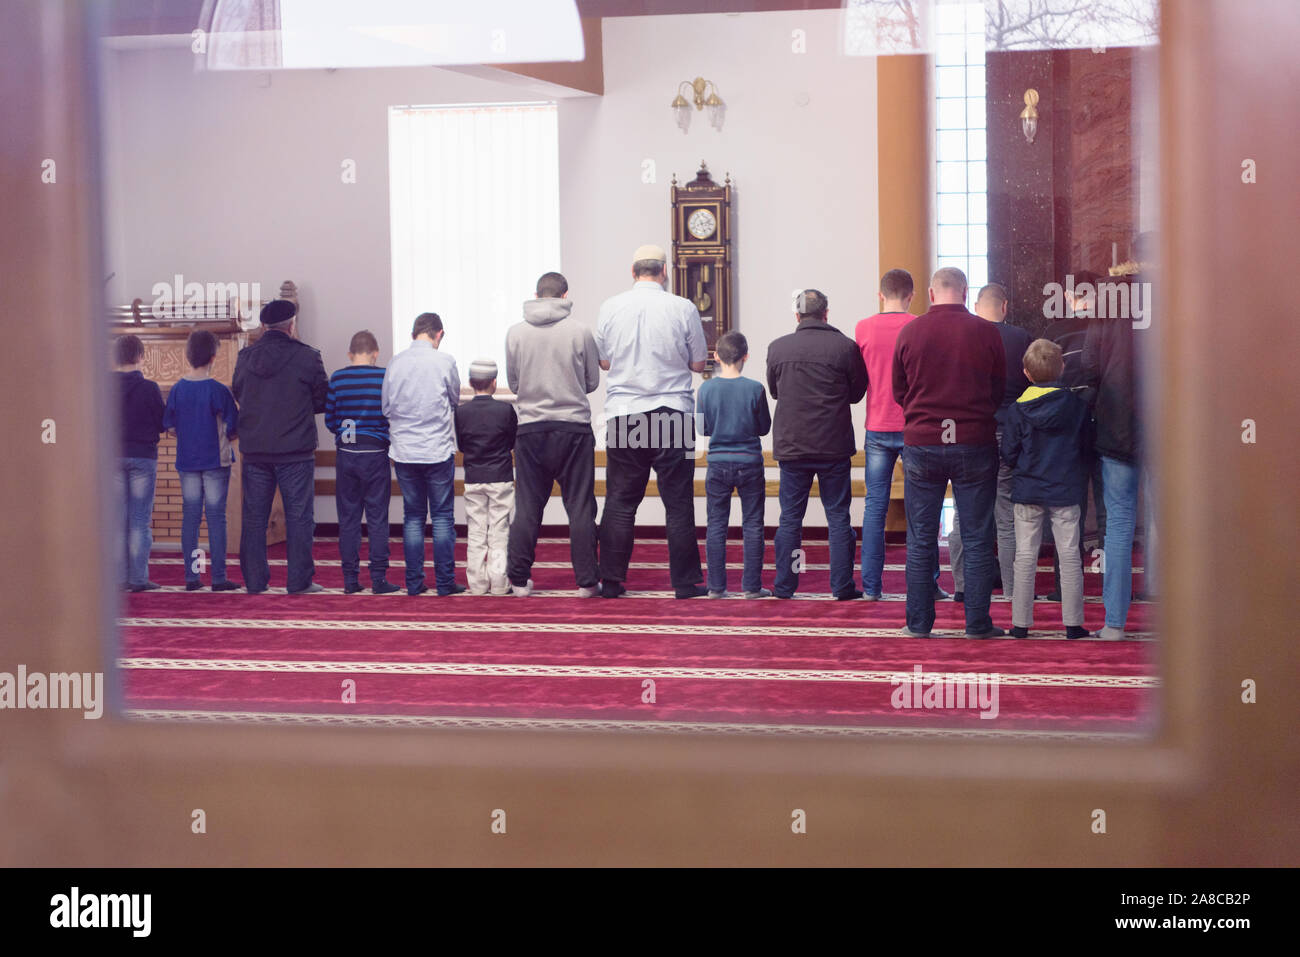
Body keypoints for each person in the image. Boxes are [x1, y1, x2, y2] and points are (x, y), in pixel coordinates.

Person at [892, 267, 1005, 638]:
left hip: (922, 442)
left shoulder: (910, 332)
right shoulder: (986, 332)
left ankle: (919, 623)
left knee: (921, 538)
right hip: (974, 441)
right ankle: (977, 623)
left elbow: (899, 391)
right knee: (976, 537)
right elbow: (998, 389)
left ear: (929, 293)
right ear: (965, 291)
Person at [594, 245, 708, 599]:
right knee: (678, 503)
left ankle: (611, 581)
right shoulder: (683, 308)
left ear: (633, 272)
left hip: (625, 414)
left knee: (620, 502)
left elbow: (604, 363)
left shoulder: (611, 307)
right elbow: (700, 364)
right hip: (671, 411)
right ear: (664, 271)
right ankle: (686, 584)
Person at [504, 271, 602, 598]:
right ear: (565, 295)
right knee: (580, 507)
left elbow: (515, 384)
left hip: (531, 428)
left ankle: (518, 580)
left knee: (528, 505)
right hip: (573, 426)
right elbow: (591, 382)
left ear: (536, 294)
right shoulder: (580, 331)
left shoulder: (515, 333)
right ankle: (587, 581)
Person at [767, 289, 868, 600]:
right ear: (827, 313)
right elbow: (856, 392)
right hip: (832, 445)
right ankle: (841, 587)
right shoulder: (845, 347)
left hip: (793, 445)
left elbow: (775, 391)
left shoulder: (778, 348)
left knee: (790, 518)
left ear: (797, 316)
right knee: (838, 515)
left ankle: (785, 585)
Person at [854, 268, 948, 600]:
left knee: (874, 507)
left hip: (877, 425)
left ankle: (871, 587)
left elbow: (860, 378)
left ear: (881, 295)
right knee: (922, 509)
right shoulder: (919, 326)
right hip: (915, 425)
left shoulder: (863, 328)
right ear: (913, 295)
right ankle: (928, 584)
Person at [232, 298, 329, 594]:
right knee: (299, 517)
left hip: (255, 450)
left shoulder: (245, 357)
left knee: (254, 517)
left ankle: (254, 581)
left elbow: (239, 392)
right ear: (292, 325)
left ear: (263, 326)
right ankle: (299, 581)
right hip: (295, 451)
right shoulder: (307, 357)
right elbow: (322, 400)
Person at [1082, 266, 1155, 640]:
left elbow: (1091, 366)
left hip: (1115, 427)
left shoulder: (1109, 302)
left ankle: (1114, 623)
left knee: (1119, 527)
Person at [1000, 339, 1091, 639]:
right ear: (1062, 368)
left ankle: (1020, 624)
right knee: (1068, 555)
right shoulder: (1077, 407)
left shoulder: (1016, 410)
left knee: (1025, 555)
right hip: (1065, 489)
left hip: (1028, 489)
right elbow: (1085, 448)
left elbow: (1009, 453)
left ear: (1026, 373)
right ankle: (1073, 623)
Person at [947, 282, 1031, 602]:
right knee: (1006, 514)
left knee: (963, 512)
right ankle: (1011, 591)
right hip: (1009, 433)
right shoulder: (1021, 338)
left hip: (971, 432)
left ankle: (961, 586)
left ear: (976, 305)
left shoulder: (964, 336)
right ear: (1005, 307)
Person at [382, 312, 464, 597]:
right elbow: (454, 400)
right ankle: (444, 583)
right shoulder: (445, 361)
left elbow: (386, 408)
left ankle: (415, 584)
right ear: (438, 334)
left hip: (404, 452)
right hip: (437, 451)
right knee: (442, 518)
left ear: (413, 333)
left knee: (413, 517)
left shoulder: (395, 363)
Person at [1044, 270, 1107, 599]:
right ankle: (1110, 585)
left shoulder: (1055, 332)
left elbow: (1047, 382)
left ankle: (1063, 587)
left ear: (1067, 297)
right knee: (1110, 508)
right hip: (1105, 426)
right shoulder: (1112, 329)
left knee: (1068, 510)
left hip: (1066, 431)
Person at [163, 329, 240, 591]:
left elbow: (170, 427)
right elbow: (233, 427)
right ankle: (218, 577)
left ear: (187, 356)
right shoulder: (218, 390)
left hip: (187, 461)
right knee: (217, 518)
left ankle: (192, 576)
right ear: (213, 357)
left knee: (191, 519)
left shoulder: (177, 389)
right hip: (215, 462)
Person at [698, 330, 771, 598]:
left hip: (717, 463)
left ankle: (716, 587)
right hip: (750, 462)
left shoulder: (706, 388)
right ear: (745, 356)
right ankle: (752, 586)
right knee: (753, 524)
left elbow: (702, 428)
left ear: (716, 356)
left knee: (716, 524)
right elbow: (764, 428)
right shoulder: (755, 388)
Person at [324, 330, 399, 595]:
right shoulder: (384, 377)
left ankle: (350, 579)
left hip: (346, 453)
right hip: (375, 453)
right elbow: (392, 415)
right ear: (376, 353)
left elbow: (330, 421)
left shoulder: (338, 378)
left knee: (348, 520)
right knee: (378, 518)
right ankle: (378, 579)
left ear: (350, 354)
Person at [455, 359, 517, 596]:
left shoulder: (461, 412)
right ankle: (500, 582)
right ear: (494, 382)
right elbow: (512, 442)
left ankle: (478, 584)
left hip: (473, 477)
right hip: (500, 476)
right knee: (499, 531)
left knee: (477, 530)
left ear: (470, 383)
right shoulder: (505, 410)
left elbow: (462, 445)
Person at [115, 334, 165, 592]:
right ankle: (138, 579)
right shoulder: (149, 388)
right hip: (143, 457)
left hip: (111, 458)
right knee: (139, 520)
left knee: (117, 520)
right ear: (140, 356)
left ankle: (117, 579)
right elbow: (161, 422)